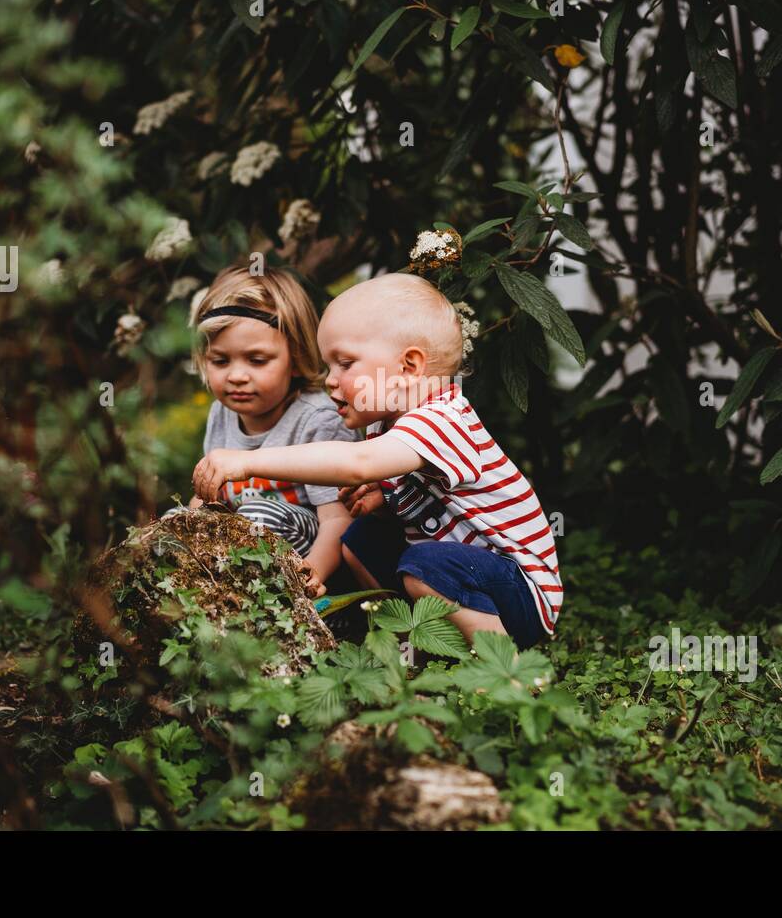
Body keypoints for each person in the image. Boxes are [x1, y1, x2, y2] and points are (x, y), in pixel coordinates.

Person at [192, 273, 562, 648]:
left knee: (427, 565)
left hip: (520, 594)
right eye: (329, 366)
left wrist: (247, 462)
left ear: (409, 367)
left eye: (345, 364)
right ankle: (412, 643)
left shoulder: (443, 418)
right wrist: (383, 503)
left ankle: (503, 668)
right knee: (359, 540)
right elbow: (425, 505)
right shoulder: (385, 423)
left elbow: (358, 462)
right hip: (463, 575)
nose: (330, 381)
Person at [169, 264, 357, 596]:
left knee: (257, 515)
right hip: (246, 555)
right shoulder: (222, 413)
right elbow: (208, 499)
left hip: (313, 566)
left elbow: (337, 521)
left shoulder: (317, 419)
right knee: (175, 522)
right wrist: (181, 528)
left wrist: (311, 575)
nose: (236, 376)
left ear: (296, 357)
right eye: (220, 361)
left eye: (256, 360)